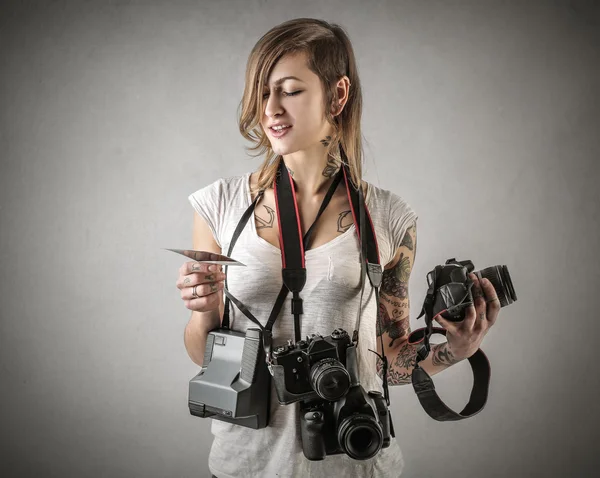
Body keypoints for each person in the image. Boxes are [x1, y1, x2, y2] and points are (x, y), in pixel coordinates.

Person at [175, 18, 501, 478]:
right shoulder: (219, 206)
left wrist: (455, 351)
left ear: (337, 95)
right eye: (263, 91)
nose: (270, 108)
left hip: (355, 464)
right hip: (245, 465)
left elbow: (392, 360)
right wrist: (203, 312)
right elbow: (203, 354)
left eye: (289, 90)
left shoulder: (389, 217)